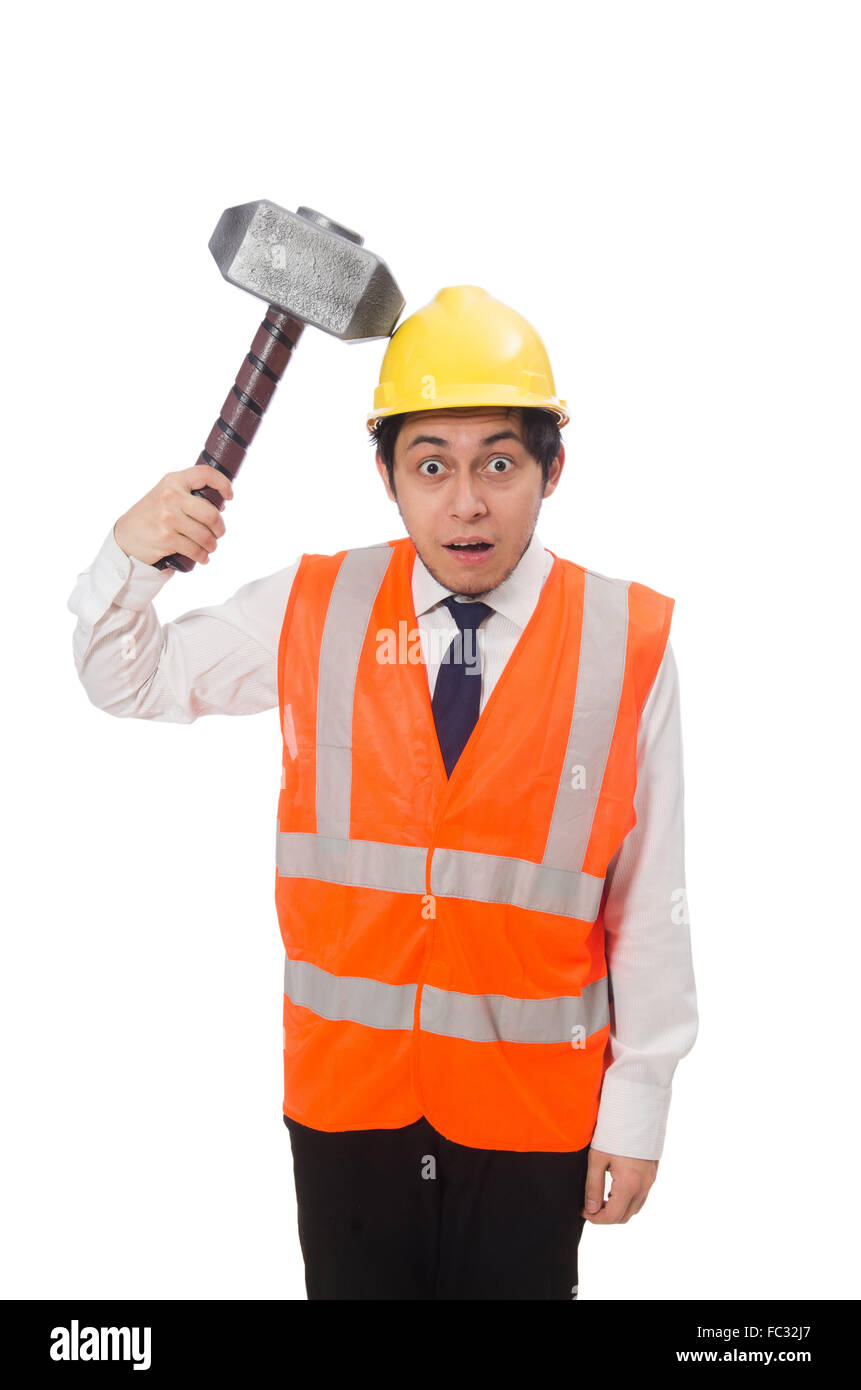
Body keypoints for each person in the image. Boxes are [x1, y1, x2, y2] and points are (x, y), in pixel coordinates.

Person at [67, 285, 698, 1301]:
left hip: (532, 1113)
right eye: (432, 466)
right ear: (388, 478)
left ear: (553, 470)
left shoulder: (626, 642)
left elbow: (650, 898)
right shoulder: (314, 606)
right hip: (346, 1106)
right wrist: (131, 555)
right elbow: (124, 677)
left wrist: (640, 1104)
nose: (467, 502)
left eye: (500, 461)